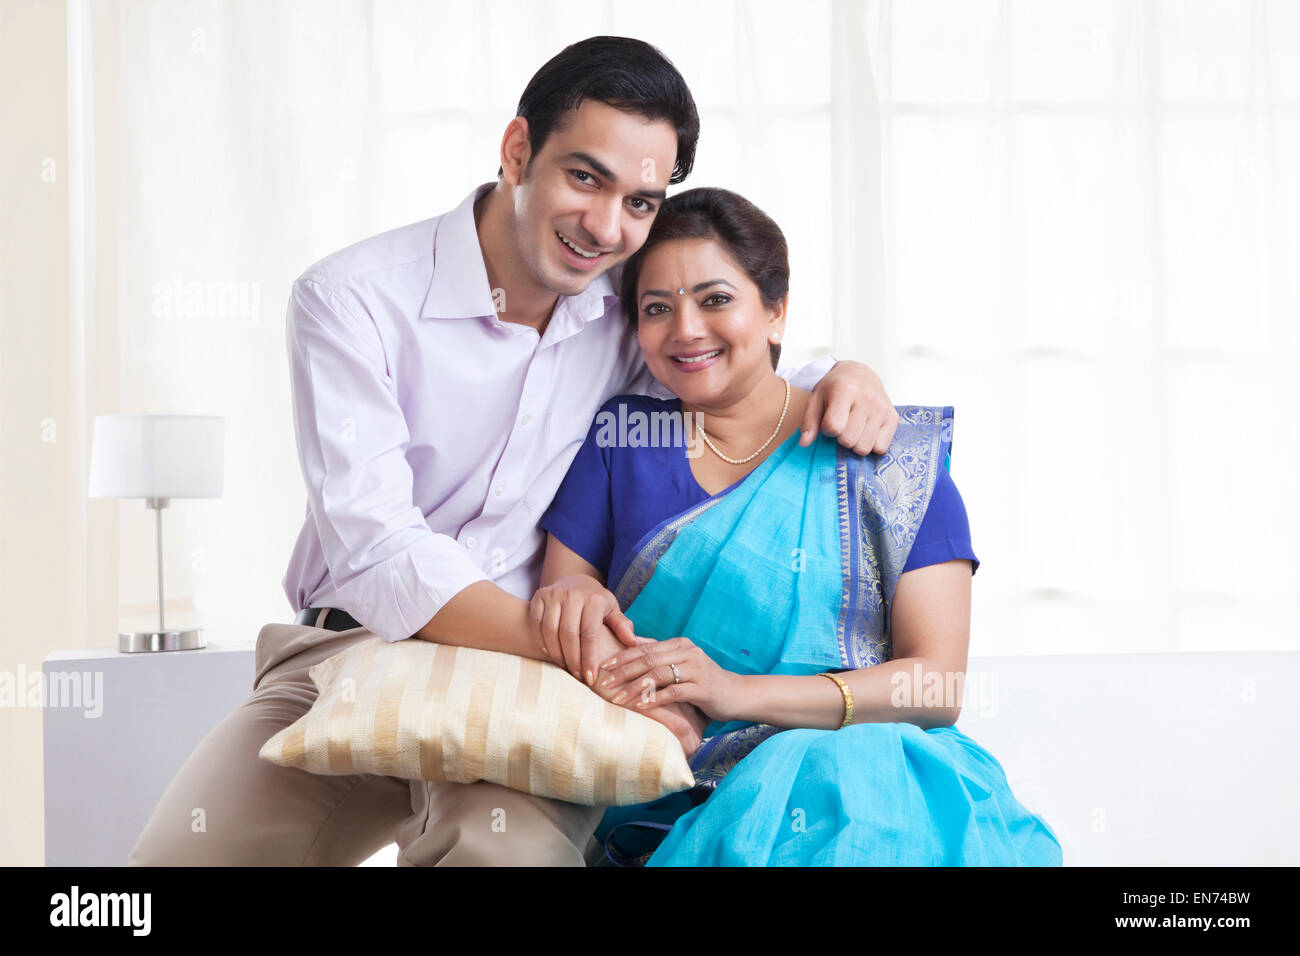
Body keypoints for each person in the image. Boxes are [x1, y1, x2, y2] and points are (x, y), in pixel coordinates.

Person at [127, 36, 899, 867]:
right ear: (517, 149)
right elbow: (378, 547)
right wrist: (585, 649)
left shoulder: (630, 310)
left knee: (509, 859)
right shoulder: (351, 300)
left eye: (641, 202)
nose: (605, 227)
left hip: (540, 689)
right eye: (584, 177)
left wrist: (839, 374)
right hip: (349, 651)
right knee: (175, 866)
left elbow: (726, 358)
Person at [533, 186, 1064, 865]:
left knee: (860, 777)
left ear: (777, 311)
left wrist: (734, 692)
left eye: (716, 299)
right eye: (657, 308)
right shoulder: (620, 443)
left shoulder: (886, 457)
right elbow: (566, 624)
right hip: (669, 791)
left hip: (870, 782)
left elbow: (935, 686)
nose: (687, 329)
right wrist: (578, 610)